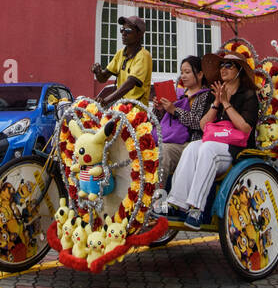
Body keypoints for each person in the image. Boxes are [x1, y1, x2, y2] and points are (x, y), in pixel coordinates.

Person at [168, 51, 260, 229]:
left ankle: (197, 208)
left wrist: (227, 103)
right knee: (192, 148)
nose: (223, 69)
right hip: (213, 143)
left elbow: (246, 128)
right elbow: (203, 125)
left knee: (207, 148)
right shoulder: (214, 93)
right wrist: (216, 102)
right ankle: (177, 202)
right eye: (221, 65)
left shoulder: (248, 95)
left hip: (235, 150)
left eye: (228, 65)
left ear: (239, 70)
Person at [152, 56, 212, 186]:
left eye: (188, 72)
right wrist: (160, 109)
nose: (183, 76)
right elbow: (159, 121)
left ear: (200, 74)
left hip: (191, 143)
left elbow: (200, 123)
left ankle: (156, 195)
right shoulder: (178, 93)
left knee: (164, 151)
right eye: (182, 72)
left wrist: (175, 110)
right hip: (169, 138)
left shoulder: (207, 96)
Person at [91, 15, 152, 105]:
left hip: (137, 111)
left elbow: (130, 84)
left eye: (128, 30)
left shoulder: (143, 56)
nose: (123, 33)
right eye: (122, 30)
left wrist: (105, 100)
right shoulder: (120, 54)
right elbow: (103, 78)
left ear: (139, 34)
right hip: (122, 108)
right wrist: (98, 72)